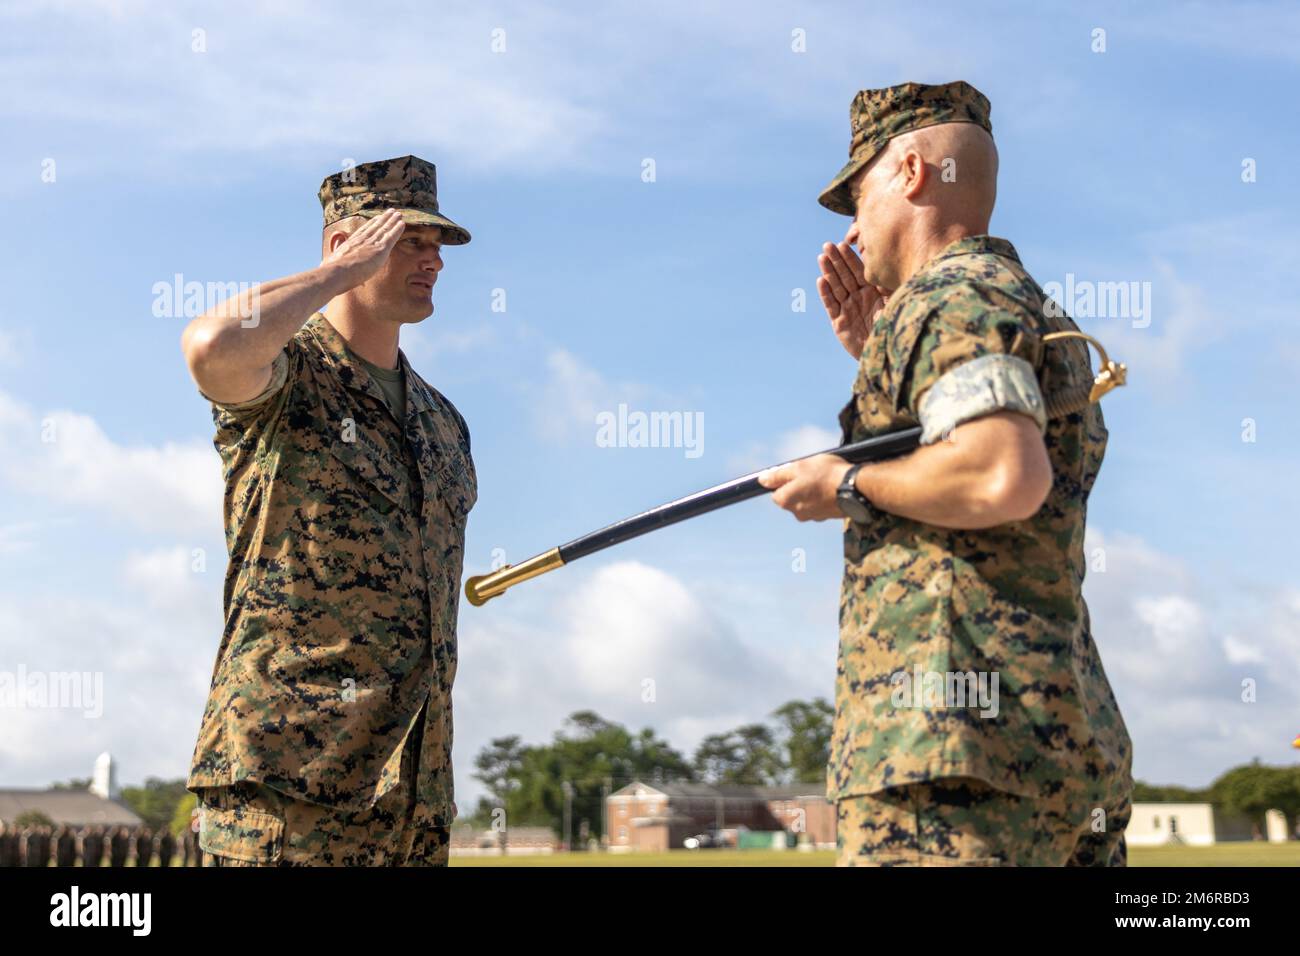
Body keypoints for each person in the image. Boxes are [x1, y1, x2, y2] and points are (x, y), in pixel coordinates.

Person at [759, 81, 1132, 866]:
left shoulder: (953, 299)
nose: (855, 233)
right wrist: (881, 367)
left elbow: (1000, 476)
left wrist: (845, 485)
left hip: (950, 763)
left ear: (911, 172)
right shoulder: (1025, 307)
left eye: (858, 198)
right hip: (1054, 745)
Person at [182, 155, 476, 866]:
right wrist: (334, 279)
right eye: (410, 239)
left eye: (437, 244)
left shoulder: (442, 421)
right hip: (289, 796)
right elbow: (211, 347)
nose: (433, 259)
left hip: (412, 801)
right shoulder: (288, 372)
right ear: (346, 245)